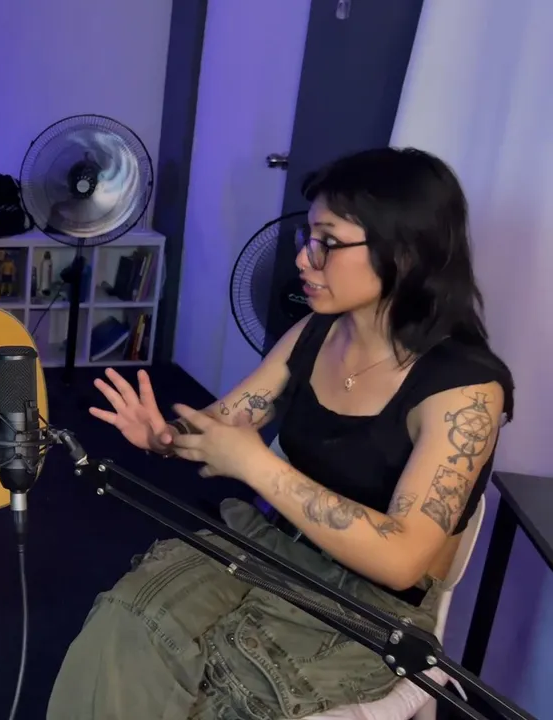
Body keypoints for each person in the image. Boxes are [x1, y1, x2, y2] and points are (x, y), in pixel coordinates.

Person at [48, 147, 515, 719]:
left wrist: (255, 465)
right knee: (126, 628)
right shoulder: (317, 332)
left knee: (223, 690)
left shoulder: (466, 391)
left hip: (369, 605)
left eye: (328, 242)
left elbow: (401, 560)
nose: (302, 259)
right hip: (266, 545)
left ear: (405, 252)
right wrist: (165, 437)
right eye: (307, 237)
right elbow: (225, 424)